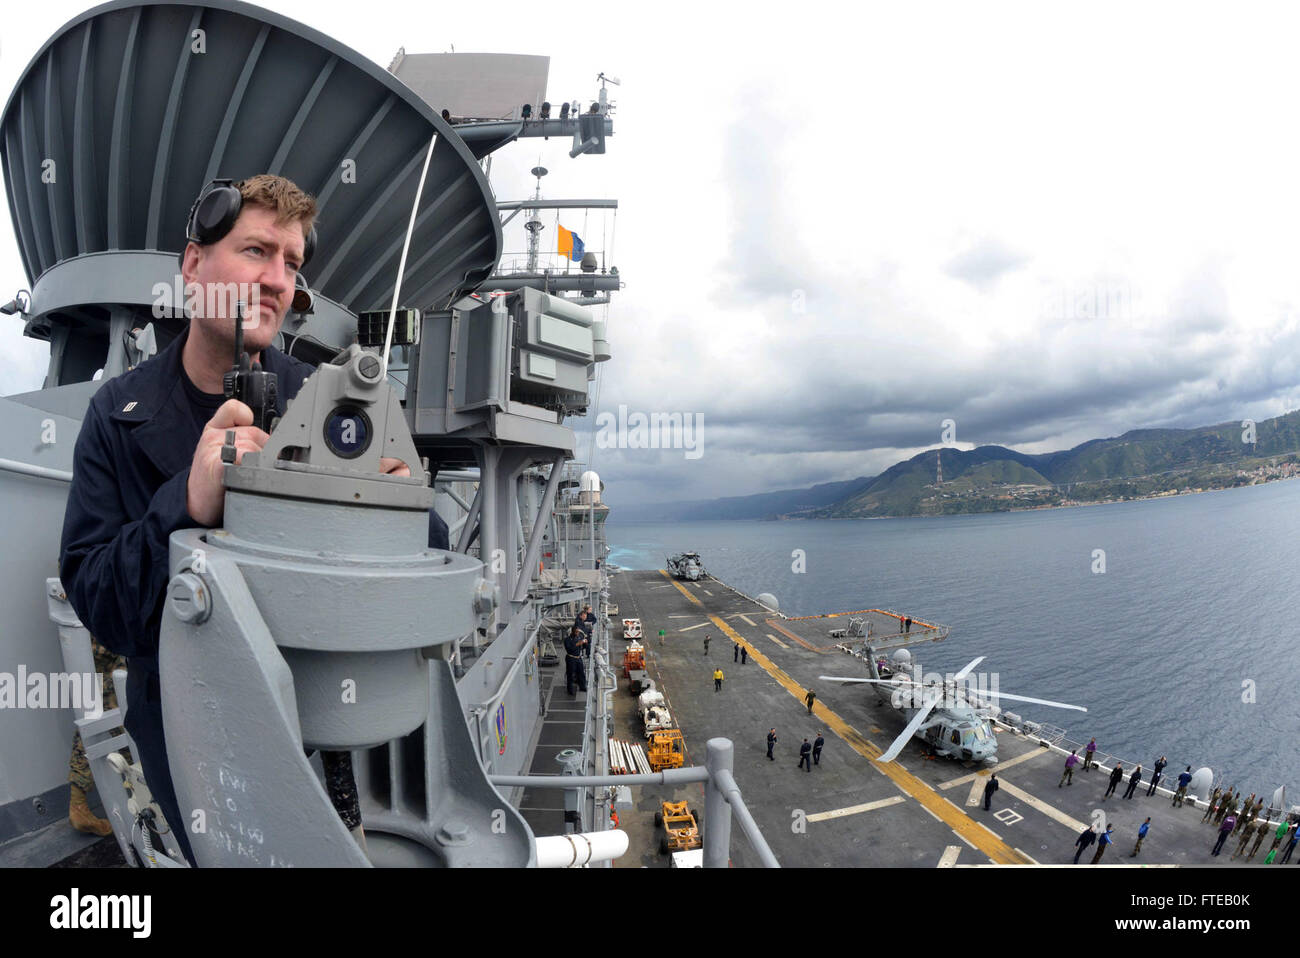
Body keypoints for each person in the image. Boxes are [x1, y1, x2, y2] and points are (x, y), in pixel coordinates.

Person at [59, 175, 448, 866]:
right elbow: (99, 599)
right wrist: (185, 498)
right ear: (192, 266)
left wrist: (393, 510)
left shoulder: (337, 408)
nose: (278, 281)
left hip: (326, 727)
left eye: (292, 263)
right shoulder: (118, 416)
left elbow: (425, 569)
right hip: (188, 736)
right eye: (256, 251)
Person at [67, 639, 128, 836]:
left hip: (88, 633)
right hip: (105, 631)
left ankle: (78, 804)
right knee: (118, 713)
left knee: (100, 714)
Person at [564, 628, 588, 696]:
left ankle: (582, 687)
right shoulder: (567, 640)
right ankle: (570, 690)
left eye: (578, 632)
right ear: (571, 632)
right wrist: (578, 644)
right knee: (570, 674)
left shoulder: (579, 638)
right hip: (571, 658)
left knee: (581, 673)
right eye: (576, 632)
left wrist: (585, 643)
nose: (577, 633)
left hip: (578, 658)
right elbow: (569, 649)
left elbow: (582, 647)